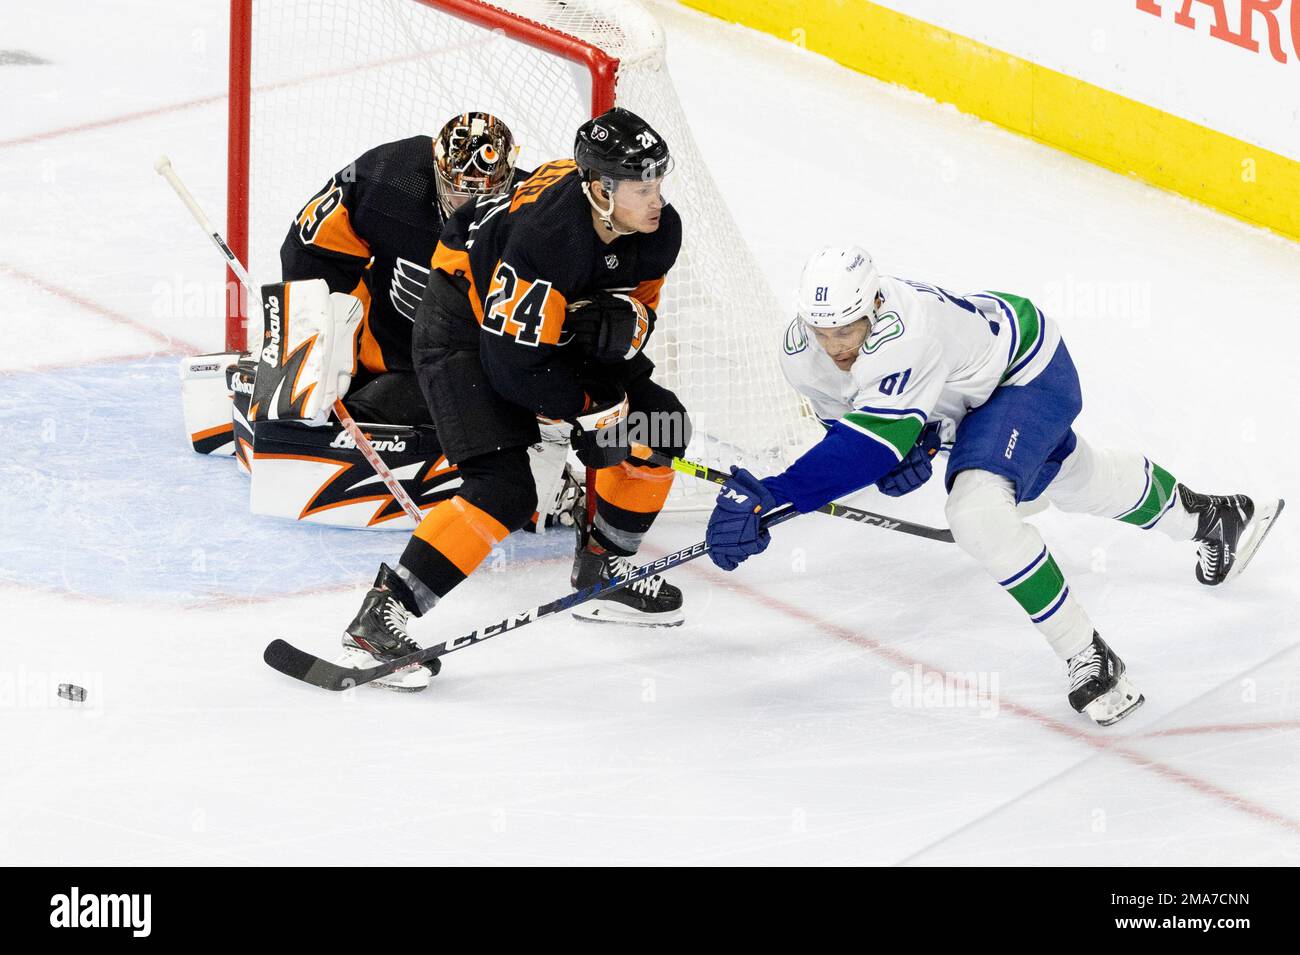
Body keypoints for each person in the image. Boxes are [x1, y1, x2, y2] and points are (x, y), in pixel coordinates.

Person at [706, 246, 1283, 726]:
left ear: (875, 305)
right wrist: (906, 450)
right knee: (1073, 480)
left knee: (979, 511)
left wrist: (773, 491)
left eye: (848, 329)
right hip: (970, 397)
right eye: (821, 330)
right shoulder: (801, 355)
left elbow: (867, 446)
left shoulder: (907, 333)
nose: (835, 345)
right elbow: (854, 433)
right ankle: (1215, 518)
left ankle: (1088, 654)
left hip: (1024, 371)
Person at [338, 107, 691, 691]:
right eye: (642, 186)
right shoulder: (547, 239)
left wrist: (623, 323)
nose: (658, 199)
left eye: (658, 181)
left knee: (662, 426)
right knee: (502, 491)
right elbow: (513, 370)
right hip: (462, 322)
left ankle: (606, 568)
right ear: (602, 190)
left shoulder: (659, 230)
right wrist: (590, 411)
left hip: (543, 327)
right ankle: (379, 618)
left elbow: (641, 311)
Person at [280, 112, 522, 425]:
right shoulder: (387, 176)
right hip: (373, 355)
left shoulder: (530, 213)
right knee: (297, 410)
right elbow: (312, 247)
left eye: (482, 193)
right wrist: (318, 338)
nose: (467, 205)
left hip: (460, 377)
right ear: (436, 169)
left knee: (359, 417)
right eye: (456, 190)